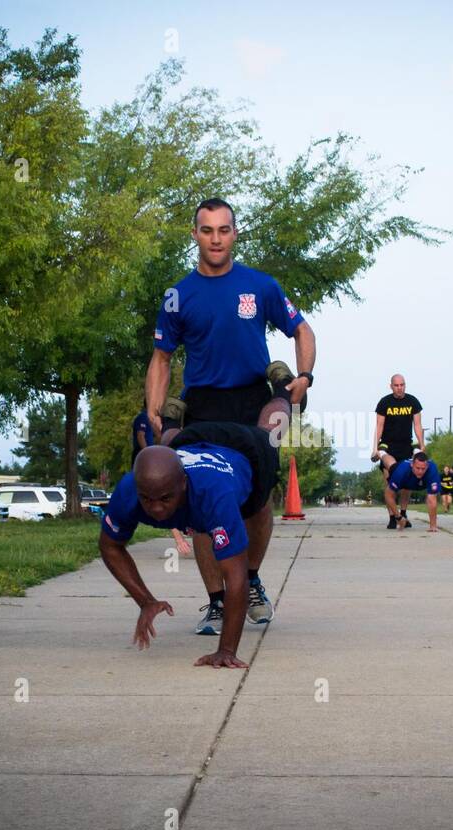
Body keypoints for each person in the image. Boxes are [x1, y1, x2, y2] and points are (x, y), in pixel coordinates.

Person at [145, 198, 315, 631]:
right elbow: (162, 358)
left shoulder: (260, 286)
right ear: (195, 234)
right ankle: (217, 600)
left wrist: (305, 377)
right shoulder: (177, 295)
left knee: (259, 499)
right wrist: (154, 407)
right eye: (207, 230)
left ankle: (251, 580)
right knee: (202, 499)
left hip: (253, 403)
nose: (215, 238)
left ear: (235, 233)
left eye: (223, 230)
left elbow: (302, 328)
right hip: (201, 404)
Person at [98, 419, 282, 669]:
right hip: (195, 440)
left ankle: (285, 390)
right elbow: (110, 546)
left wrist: (226, 650)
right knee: (172, 437)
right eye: (146, 499)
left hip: (249, 451)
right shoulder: (128, 490)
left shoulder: (215, 495)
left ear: (183, 484)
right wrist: (145, 601)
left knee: (269, 431)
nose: (156, 509)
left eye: (165, 498)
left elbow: (236, 577)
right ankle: (171, 419)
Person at [132, 401, 190, 557]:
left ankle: (187, 530)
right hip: (149, 465)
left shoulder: (165, 431)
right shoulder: (143, 418)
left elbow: (160, 436)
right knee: (163, 497)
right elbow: (140, 435)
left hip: (162, 459)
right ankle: (180, 538)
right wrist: (150, 456)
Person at [371, 375, 425, 528]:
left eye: (402, 385)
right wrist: (375, 448)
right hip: (388, 446)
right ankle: (392, 517)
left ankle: (403, 512)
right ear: (391, 386)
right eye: (396, 385)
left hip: (406, 446)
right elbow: (379, 426)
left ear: (405, 385)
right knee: (390, 482)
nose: (399, 388)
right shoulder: (384, 402)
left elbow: (417, 425)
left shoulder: (412, 401)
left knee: (407, 483)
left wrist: (422, 444)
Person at [377, 450, 440, 531]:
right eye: (417, 468)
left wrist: (433, 526)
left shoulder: (432, 470)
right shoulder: (401, 471)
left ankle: (416, 452)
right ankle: (383, 453)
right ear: (412, 465)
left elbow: (432, 499)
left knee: (430, 496)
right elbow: (388, 495)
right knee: (391, 465)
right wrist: (398, 517)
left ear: (427, 466)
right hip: (404, 477)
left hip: (415, 482)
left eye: (423, 469)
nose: (420, 471)